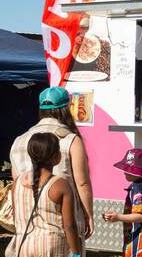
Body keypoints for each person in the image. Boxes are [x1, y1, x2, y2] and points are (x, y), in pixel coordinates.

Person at [9, 86, 94, 247]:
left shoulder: (19, 140)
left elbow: (17, 183)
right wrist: (89, 214)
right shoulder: (71, 139)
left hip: (27, 225)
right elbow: (82, 183)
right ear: (66, 109)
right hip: (61, 226)